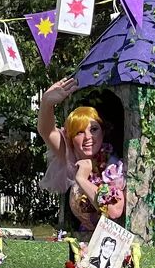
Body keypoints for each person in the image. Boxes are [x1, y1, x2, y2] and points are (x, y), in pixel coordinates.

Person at [37, 76, 125, 234]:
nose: (88, 137)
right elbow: (47, 131)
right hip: (82, 240)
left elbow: (113, 211)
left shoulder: (113, 166)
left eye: (94, 129)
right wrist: (46, 103)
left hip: (112, 243)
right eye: (79, 132)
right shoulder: (72, 156)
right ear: (71, 138)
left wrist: (82, 179)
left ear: (103, 132)